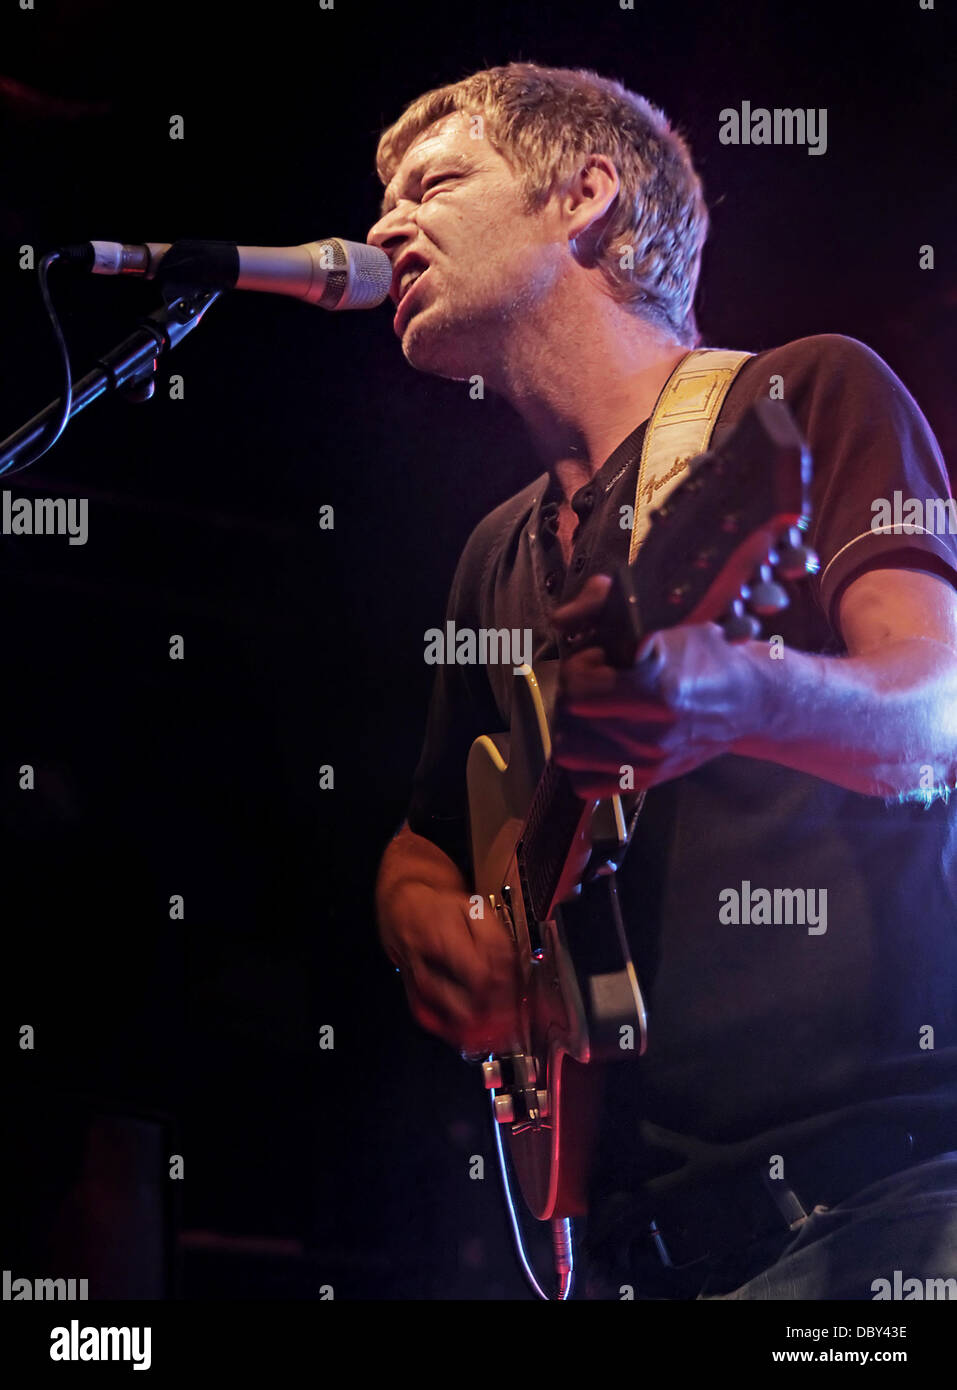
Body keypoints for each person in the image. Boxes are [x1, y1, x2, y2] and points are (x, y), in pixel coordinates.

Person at [370, 62, 957, 1299]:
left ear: (583, 194)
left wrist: (740, 693)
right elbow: (424, 845)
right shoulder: (494, 554)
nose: (382, 228)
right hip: (631, 1258)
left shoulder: (798, 397)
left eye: (433, 182)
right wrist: (441, 926)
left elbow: (934, 715)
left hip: (880, 1210)